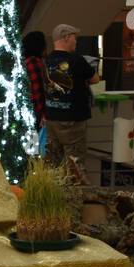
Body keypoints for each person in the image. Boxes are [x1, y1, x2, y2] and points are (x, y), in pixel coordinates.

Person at [43, 24, 99, 182]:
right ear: (66, 37)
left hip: (52, 117)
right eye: (75, 38)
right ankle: (75, 201)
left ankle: (57, 198)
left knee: (54, 163)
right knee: (75, 163)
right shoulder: (76, 60)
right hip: (72, 119)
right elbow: (95, 79)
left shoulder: (47, 60)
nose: (76, 42)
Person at [21, 30, 47, 153]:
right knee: (35, 152)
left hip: (27, 111)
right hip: (35, 113)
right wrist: (43, 113)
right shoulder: (34, 63)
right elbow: (38, 91)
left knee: (30, 150)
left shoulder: (24, 62)